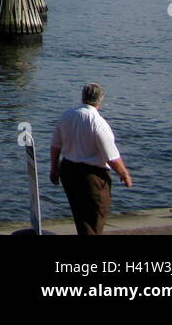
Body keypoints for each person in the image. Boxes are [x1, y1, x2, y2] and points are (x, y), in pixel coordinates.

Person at [49, 82, 133, 235]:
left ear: (82, 96)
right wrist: (124, 174)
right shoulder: (98, 123)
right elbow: (111, 156)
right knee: (95, 217)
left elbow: (55, 145)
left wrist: (54, 168)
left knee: (80, 215)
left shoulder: (66, 116)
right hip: (91, 176)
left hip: (68, 170)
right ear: (100, 101)